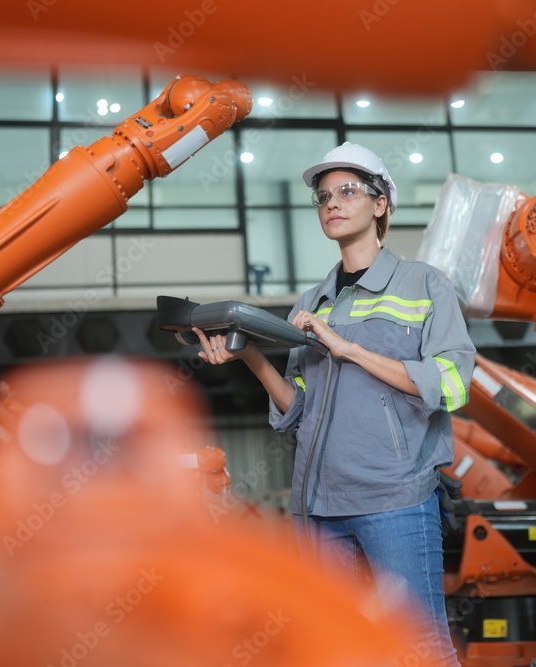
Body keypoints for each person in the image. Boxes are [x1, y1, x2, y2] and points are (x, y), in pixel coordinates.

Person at [194, 142, 474, 666]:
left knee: (419, 647)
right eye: (324, 196)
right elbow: (298, 408)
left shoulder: (424, 284)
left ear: (381, 203)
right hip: (317, 506)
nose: (332, 203)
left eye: (348, 191)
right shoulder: (312, 302)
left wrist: (348, 349)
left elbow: (454, 383)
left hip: (394, 499)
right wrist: (251, 353)